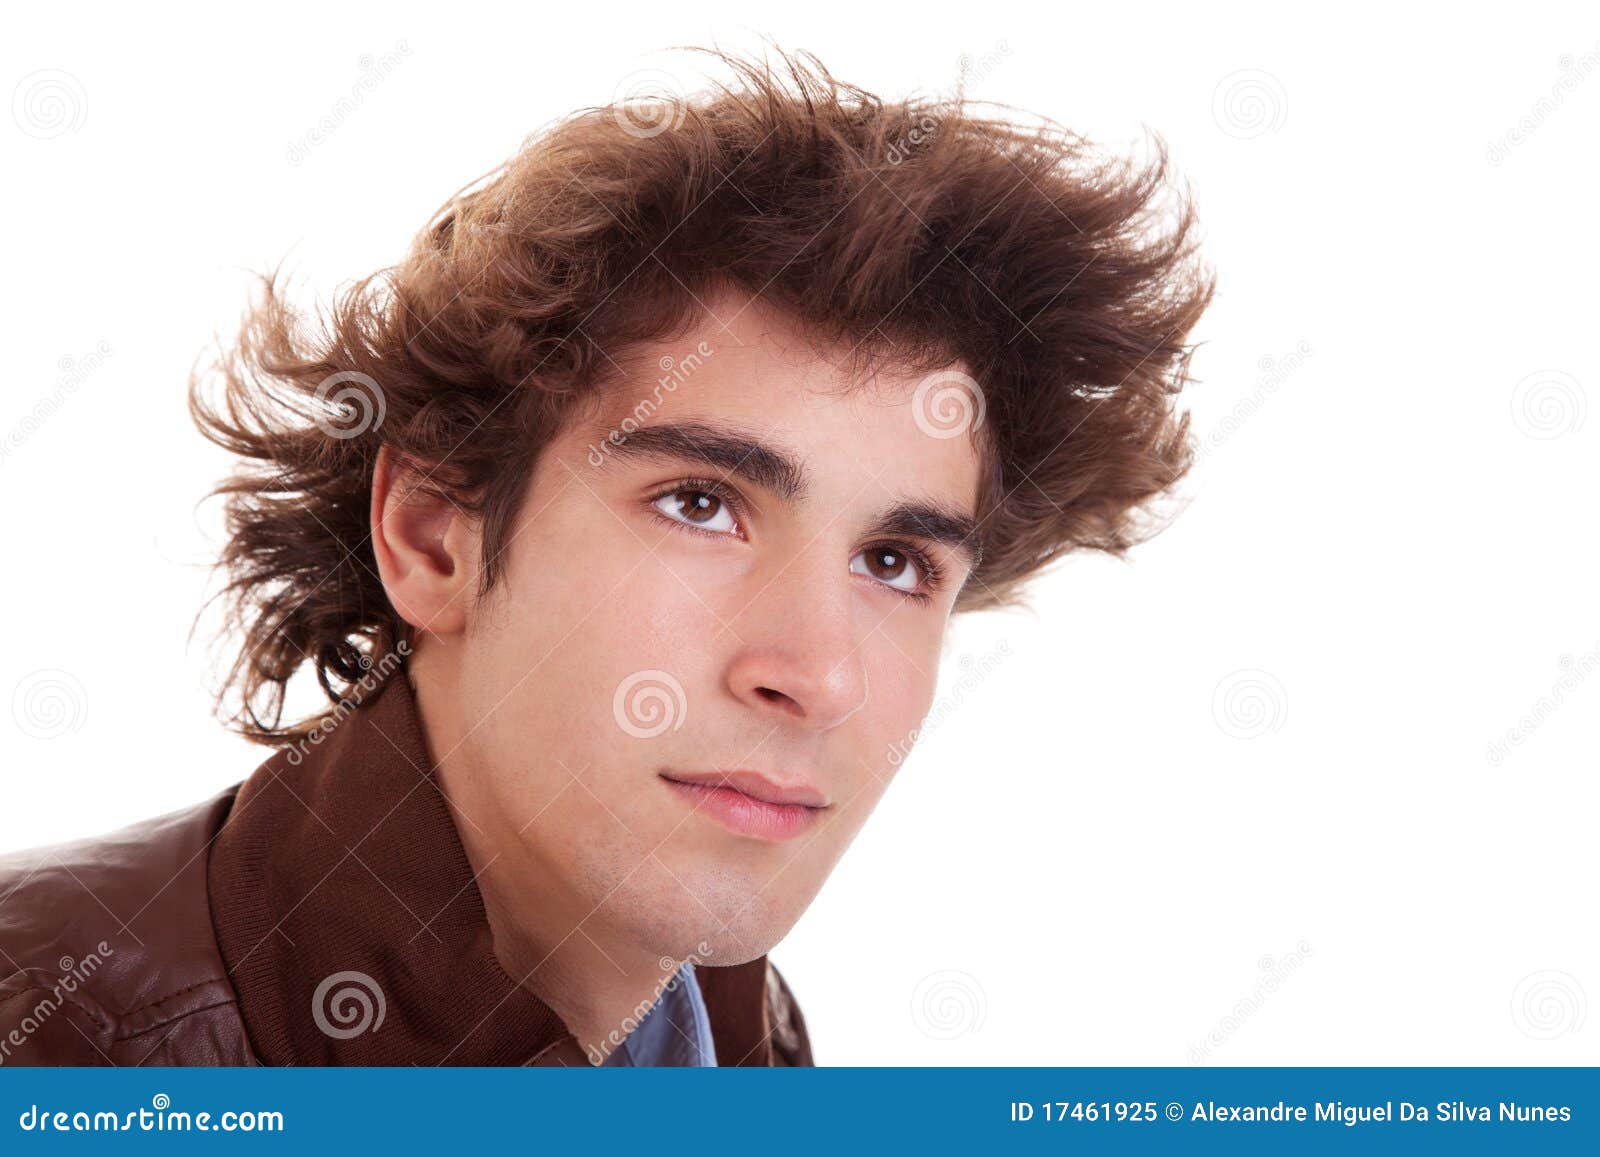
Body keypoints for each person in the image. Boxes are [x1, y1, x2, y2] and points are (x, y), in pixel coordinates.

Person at [0, 46, 1213, 1066]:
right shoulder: (65, 1036)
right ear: (434, 533)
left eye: (895, 560)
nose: (816, 672)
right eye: (699, 501)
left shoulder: (723, 1030)